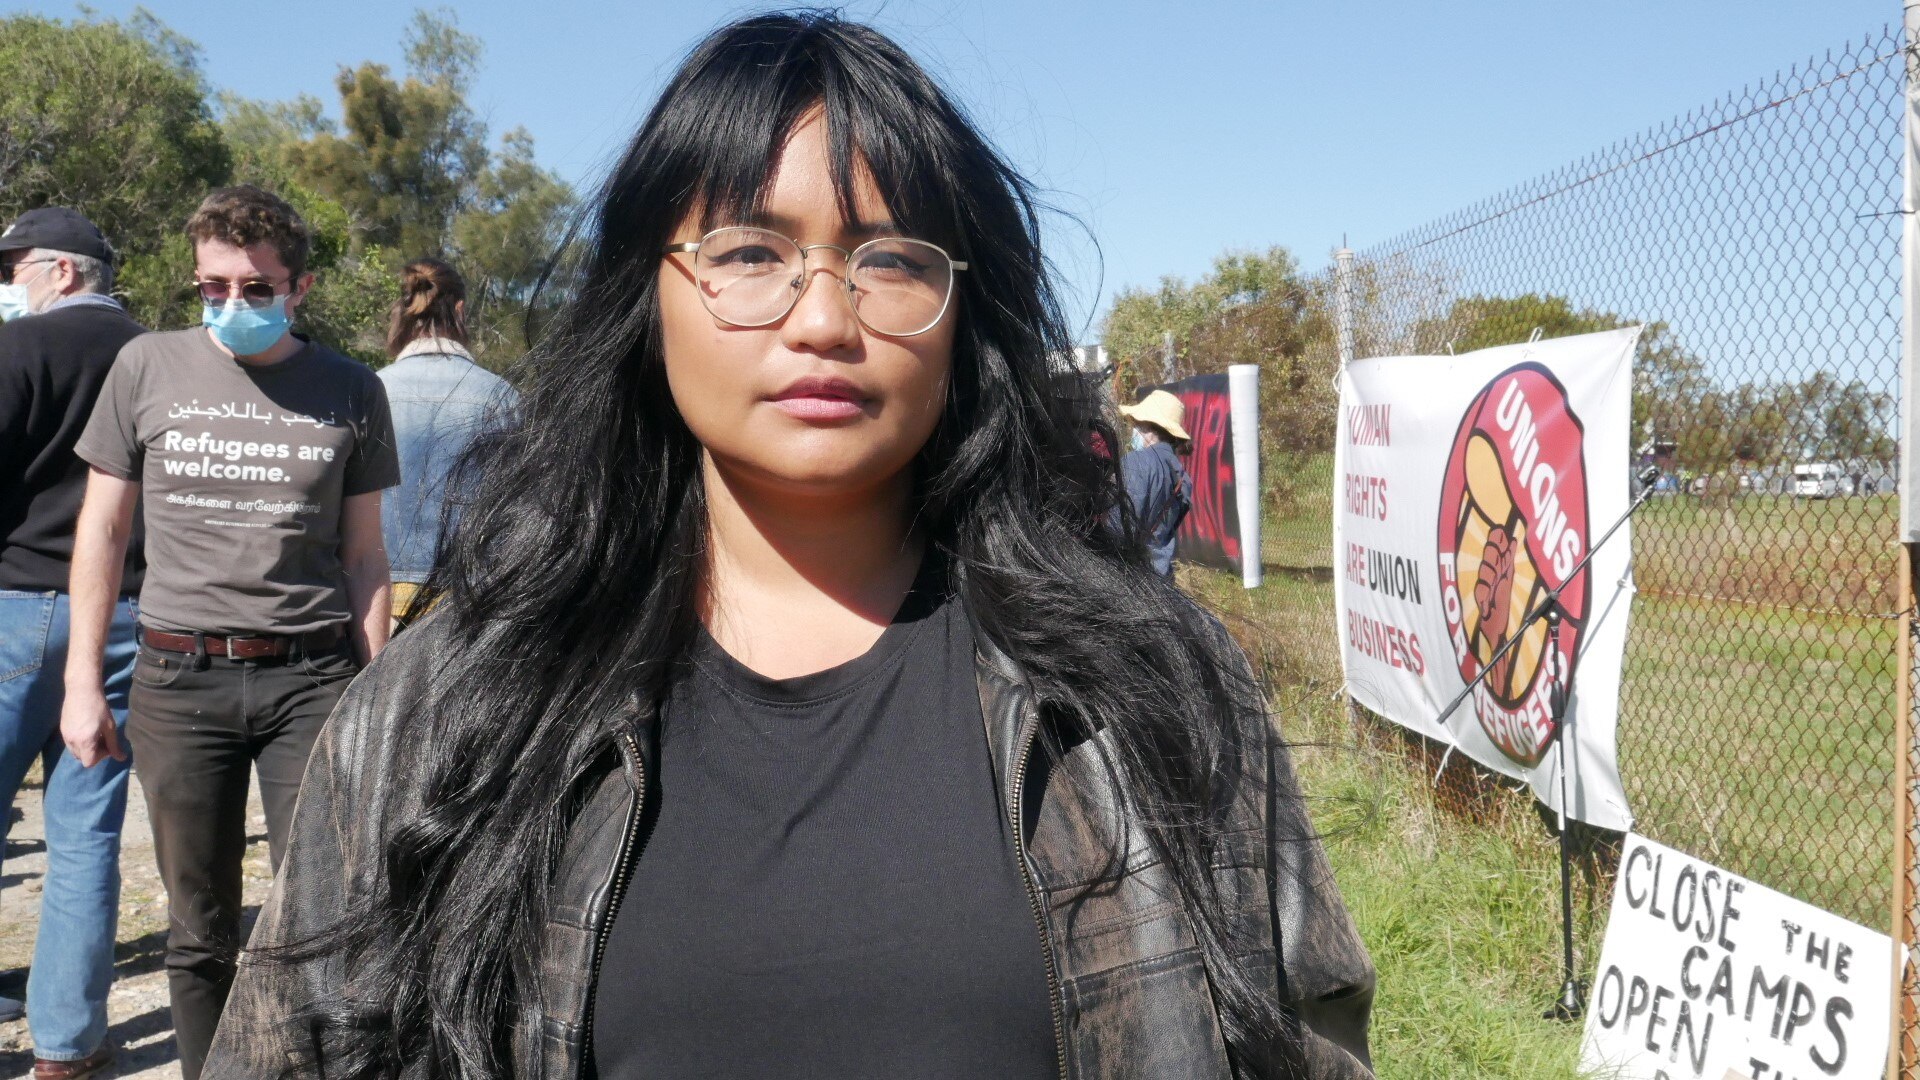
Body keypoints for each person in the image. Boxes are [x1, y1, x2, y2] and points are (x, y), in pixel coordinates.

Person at [206, 14, 1374, 1080]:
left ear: (961, 311)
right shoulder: (443, 712)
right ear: (649, 295)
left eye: (893, 259)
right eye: (750, 252)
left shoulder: (1150, 686)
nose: (824, 318)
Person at [61, 185, 399, 1080]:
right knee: (199, 928)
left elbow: (365, 556)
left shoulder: (352, 389)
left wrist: (375, 690)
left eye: (255, 288)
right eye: (213, 286)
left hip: (312, 679)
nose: (232, 304)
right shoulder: (145, 365)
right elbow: (103, 530)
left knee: (321, 915)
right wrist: (83, 683)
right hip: (180, 680)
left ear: (300, 288)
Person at [0, 208, 147, 1080]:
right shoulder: (156, 358)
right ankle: (66, 1044)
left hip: (16, 606)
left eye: (14, 266)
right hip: (124, 612)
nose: (8, 283)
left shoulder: (16, 349)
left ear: (62, 272)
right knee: (86, 835)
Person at [375, 258, 515, 623]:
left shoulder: (369, 391)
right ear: (460, 310)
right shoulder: (501, 397)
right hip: (469, 608)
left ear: (401, 312)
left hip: (374, 604)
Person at [1117, 389, 1194, 580]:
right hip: (1161, 578)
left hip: (1128, 576)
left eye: (1137, 424)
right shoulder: (1183, 478)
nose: (1134, 429)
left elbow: (1117, 525)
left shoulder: (1135, 462)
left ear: (1149, 428)